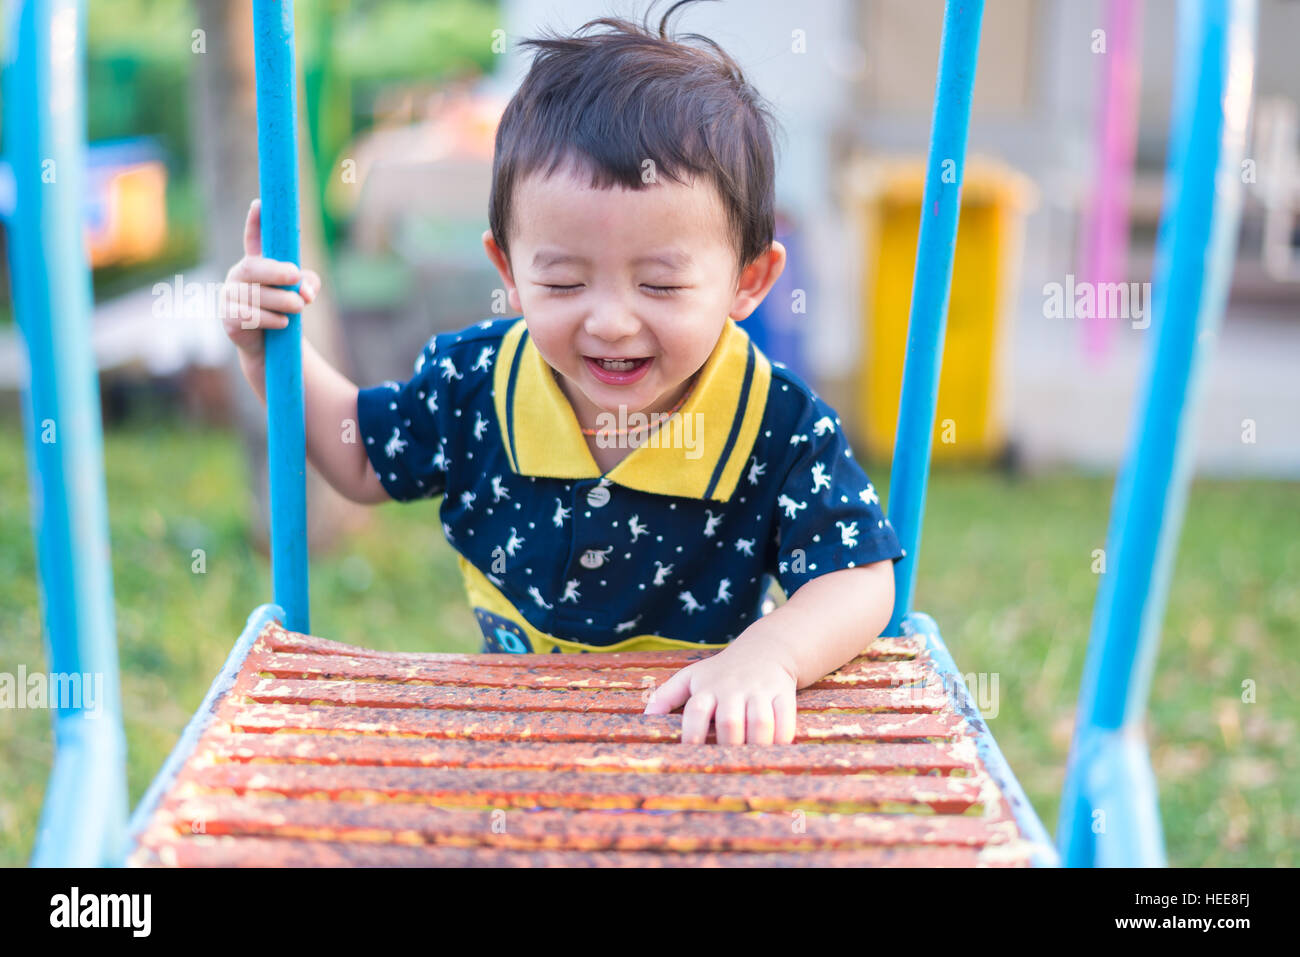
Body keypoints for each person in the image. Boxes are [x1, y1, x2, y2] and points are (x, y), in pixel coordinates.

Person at [220, 2, 903, 746]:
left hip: (690, 743)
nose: (610, 320)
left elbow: (859, 574)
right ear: (508, 272)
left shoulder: (774, 423)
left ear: (749, 279)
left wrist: (769, 656)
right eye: (566, 283)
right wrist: (270, 355)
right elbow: (357, 455)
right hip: (521, 741)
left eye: (661, 285)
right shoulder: (478, 382)